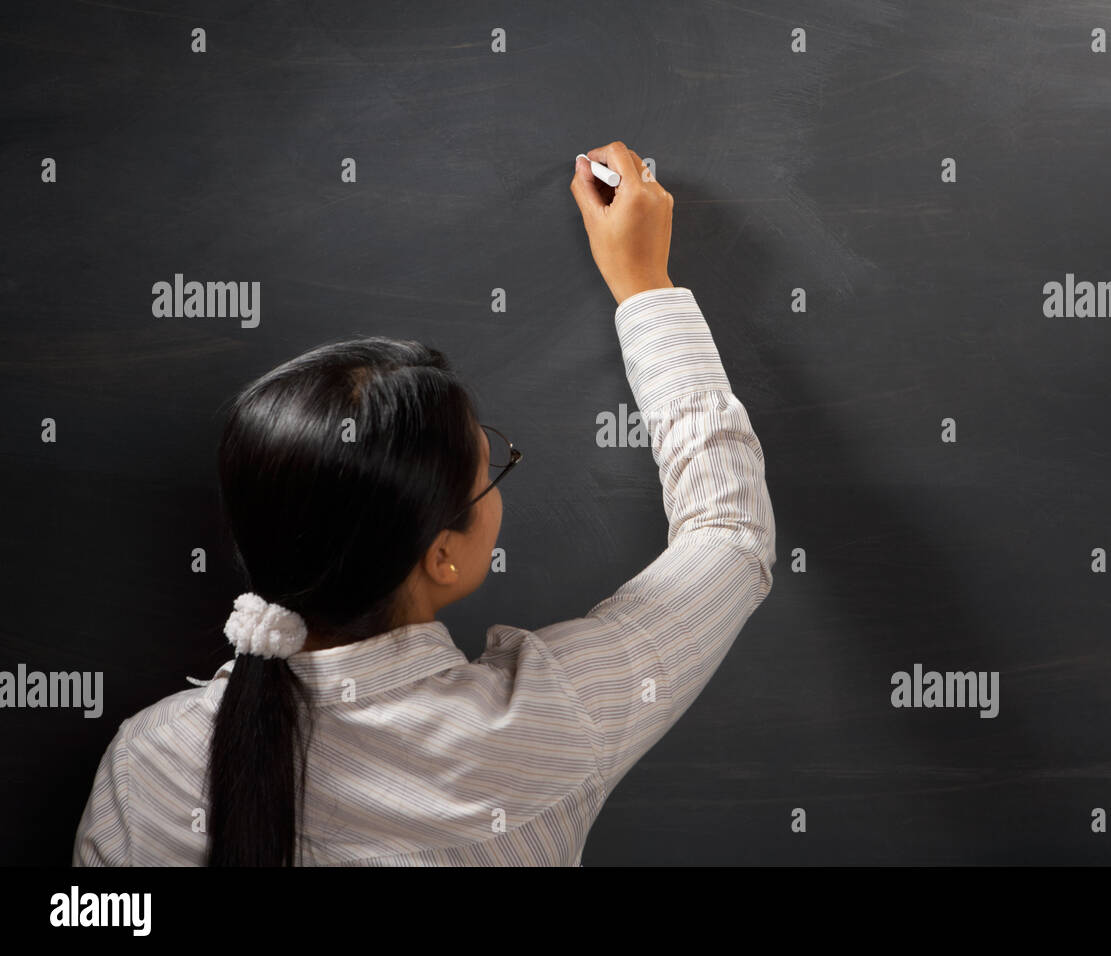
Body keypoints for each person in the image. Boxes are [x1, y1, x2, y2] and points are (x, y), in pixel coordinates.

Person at [72, 140, 776, 866]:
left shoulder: (148, 763)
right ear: (441, 554)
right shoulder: (548, 727)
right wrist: (645, 287)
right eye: (489, 469)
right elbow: (728, 533)